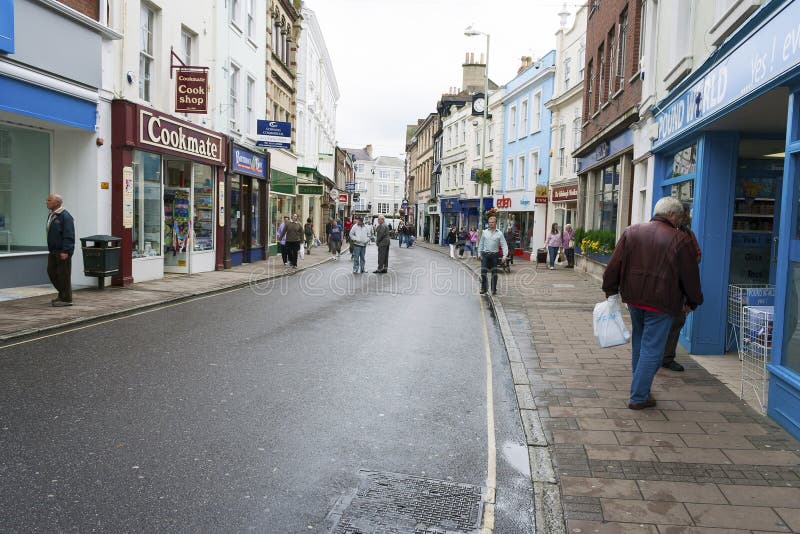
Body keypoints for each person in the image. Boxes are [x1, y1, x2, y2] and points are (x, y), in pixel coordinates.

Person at [602, 197, 703, 410]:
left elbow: (614, 264)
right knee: (652, 349)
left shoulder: (632, 232)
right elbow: (690, 274)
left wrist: (610, 290)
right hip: (662, 302)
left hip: (635, 299)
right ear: (673, 216)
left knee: (640, 342)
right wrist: (693, 301)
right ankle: (639, 396)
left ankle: (641, 388)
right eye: (680, 217)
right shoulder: (680, 239)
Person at [661, 207, 702, 372]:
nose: (686, 217)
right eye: (684, 215)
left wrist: (688, 260)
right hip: (658, 285)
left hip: (679, 286)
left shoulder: (688, 234)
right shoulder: (660, 231)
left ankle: (667, 357)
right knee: (655, 322)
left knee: (677, 320)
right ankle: (652, 356)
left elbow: (698, 255)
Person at [46, 194, 75, 307]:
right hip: (53, 250)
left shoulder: (65, 216)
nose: (46, 202)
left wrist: (66, 251)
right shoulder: (52, 215)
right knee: (51, 272)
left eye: (49, 200)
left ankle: (66, 299)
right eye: (47, 200)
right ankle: (63, 294)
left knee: (63, 275)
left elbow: (69, 235)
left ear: (57, 203)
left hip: (62, 251)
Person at [477, 216, 509, 296]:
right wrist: (479, 253)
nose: (491, 224)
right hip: (485, 254)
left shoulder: (500, 233)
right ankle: (484, 288)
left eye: (492, 222)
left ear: (495, 223)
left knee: (494, 273)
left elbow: (504, 244)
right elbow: (481, 243)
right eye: (490, 222)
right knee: (483, 272)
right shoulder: (484, 232)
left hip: (494, 255)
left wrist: (505, 255)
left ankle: (493, 289)